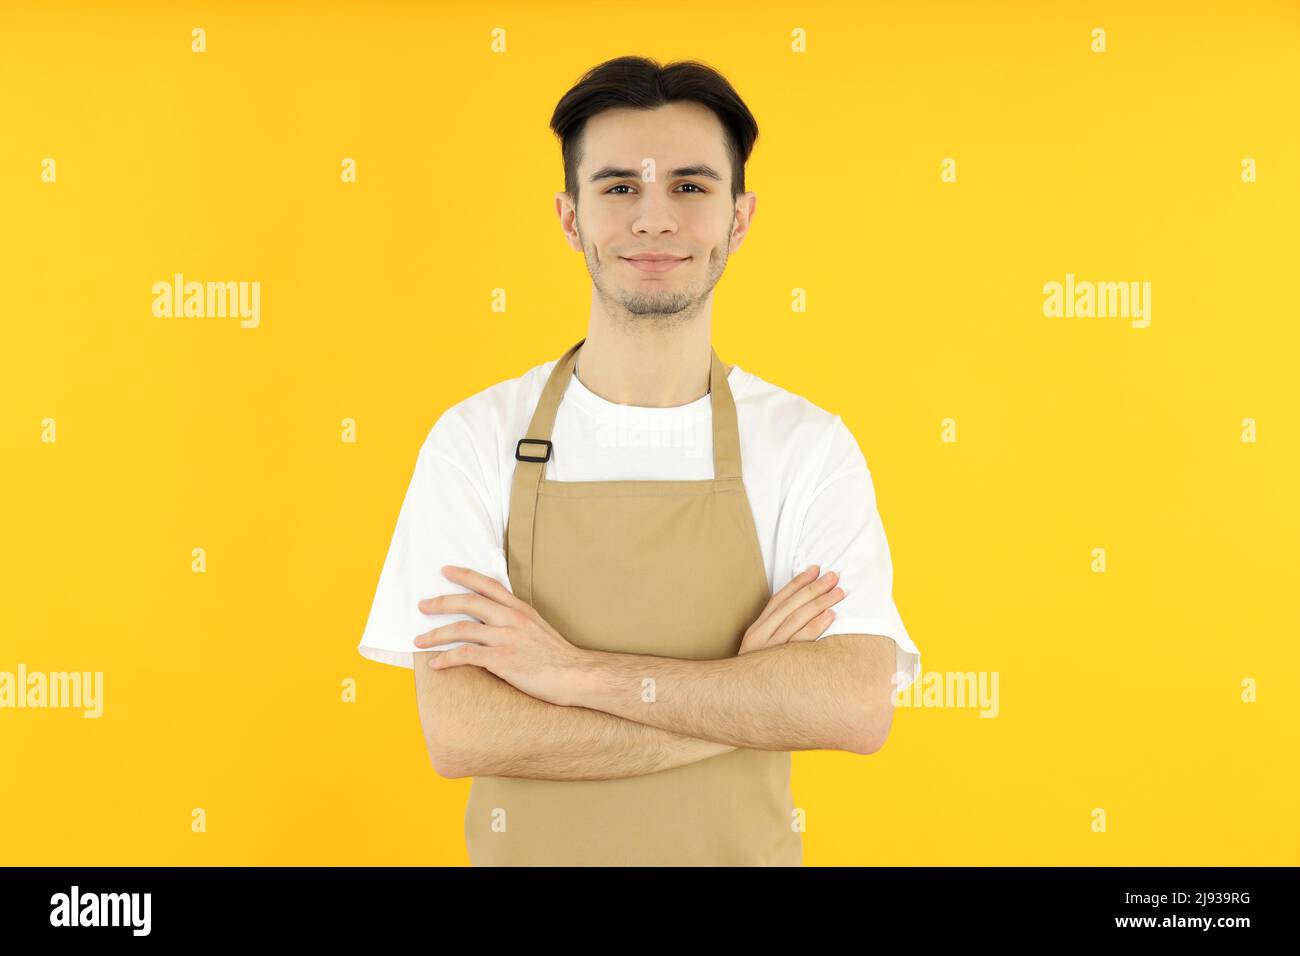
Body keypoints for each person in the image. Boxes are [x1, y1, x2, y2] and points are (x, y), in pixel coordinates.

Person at [358, 55, 921, 866]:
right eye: (620, 187)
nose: (655, 220)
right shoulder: (473, 440)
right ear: (570, 218)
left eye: (690, 186)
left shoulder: (808, 446)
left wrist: (570, 674)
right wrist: (748, 695)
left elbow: (854, 706)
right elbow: (463, 731)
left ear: (739, 218)